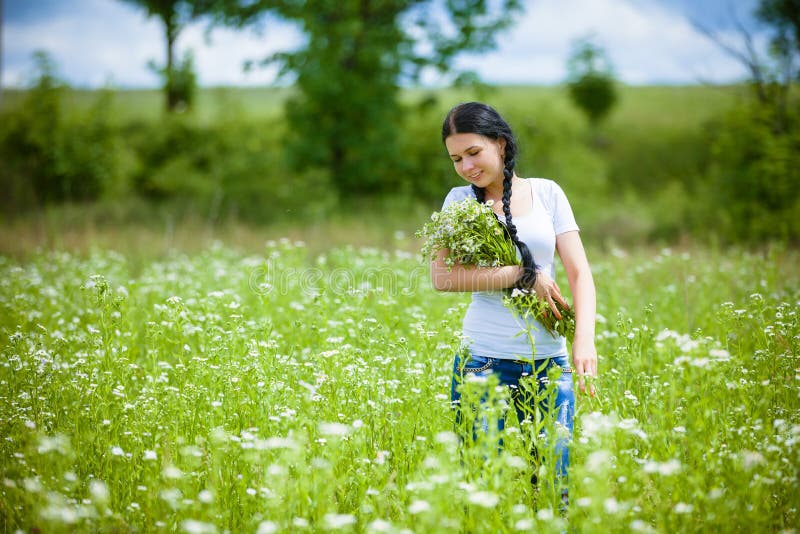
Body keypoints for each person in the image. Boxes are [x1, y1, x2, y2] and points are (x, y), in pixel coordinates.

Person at [430, 101, 597, 507]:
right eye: (456, 158)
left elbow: (579, 274)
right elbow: (442, 277)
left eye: (474, 152)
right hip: (481, 363)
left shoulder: (548, 193)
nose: (466, 166)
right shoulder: (459, 201)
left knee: (556, 487)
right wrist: (522, 275)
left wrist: (584, 340)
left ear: (501, 145)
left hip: (549, 361)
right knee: (481, 489)